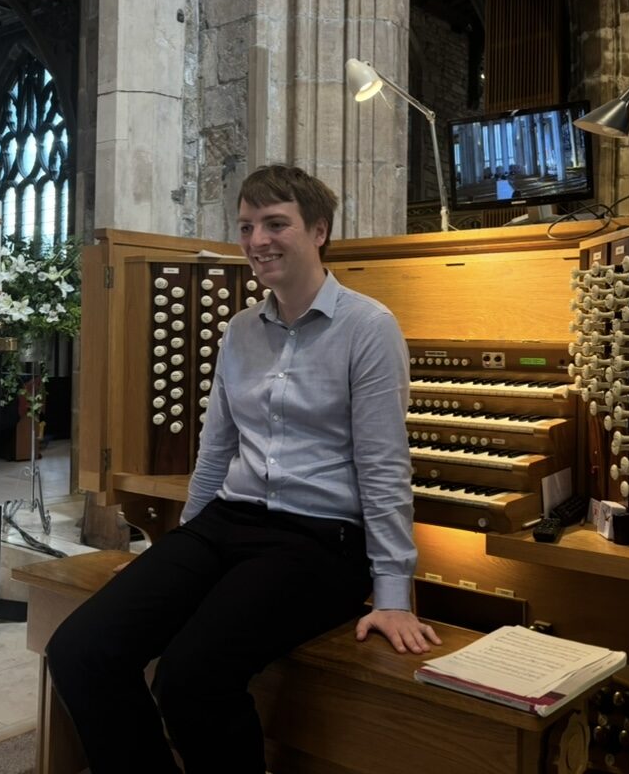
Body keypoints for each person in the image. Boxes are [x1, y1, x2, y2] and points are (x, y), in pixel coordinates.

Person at [46, 165, 440, 774]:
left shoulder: (369, 328)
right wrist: (183, 553)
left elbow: (385, 467)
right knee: (78, 651)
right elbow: (215, 450)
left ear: (318, 230)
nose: (258, 240)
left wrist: (393, 593)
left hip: (320, 539)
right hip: (227, 523)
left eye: (275, 223)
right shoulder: (239, 331)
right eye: (247, 226)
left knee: (188, 681)